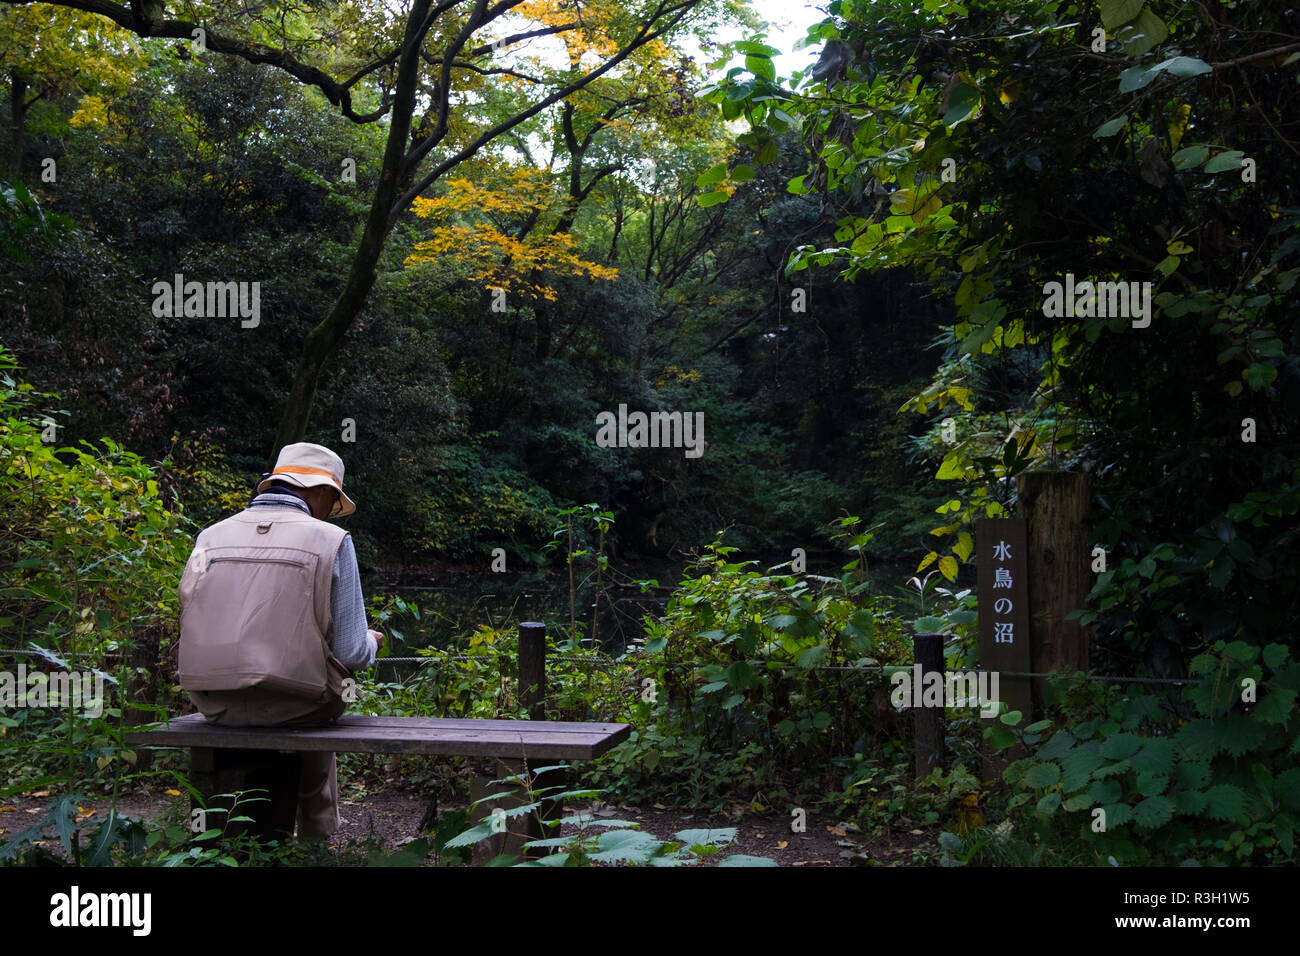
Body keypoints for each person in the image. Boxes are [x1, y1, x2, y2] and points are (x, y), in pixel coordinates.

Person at [177, 442, 382, 839]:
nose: (331, 512)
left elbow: (189, 610)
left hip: (215, 703)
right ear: (323, 492)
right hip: (299, 707)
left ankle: (261, 841)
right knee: (317, 706)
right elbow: (352, 653)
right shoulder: (333, 540)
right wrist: (373, 641)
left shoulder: (210, 536)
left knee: (301, 697)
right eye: (334, 503)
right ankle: (317, 840)